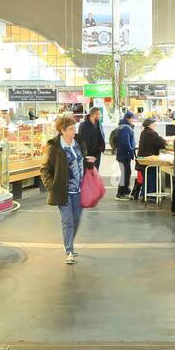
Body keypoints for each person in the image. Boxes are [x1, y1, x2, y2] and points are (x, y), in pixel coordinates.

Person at [41, 112, 95, 264]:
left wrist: (86, 160)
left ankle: (70, 244)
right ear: (62, 130)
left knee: (76, 219)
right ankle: (69, 250)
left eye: (74, 128)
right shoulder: (55, 147)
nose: (74, 131)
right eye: (70, 129)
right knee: (68, 220)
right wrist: (52, 186)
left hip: (79, 189)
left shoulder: (78, 142)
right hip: (63, 192)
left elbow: (79, 159)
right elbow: (45, 169)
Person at [134, 117, 168, 202]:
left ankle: (144, 195)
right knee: (152, 177)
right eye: (154, 124)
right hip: (149, 161)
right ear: (151, 125)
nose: (155, 125)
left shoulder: (144, 132)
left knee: (147, 178)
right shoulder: (151, 133)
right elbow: (162, 143)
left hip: (143, 161)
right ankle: (152, 196)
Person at [113, 111, 138, 199]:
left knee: (127, 172)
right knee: (125, 173)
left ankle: (125, 189)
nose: (133, 120)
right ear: (129, 118)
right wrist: (130, 150)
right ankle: (120, 193)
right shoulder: (125, 128)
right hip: (124, 154)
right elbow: (125, 142)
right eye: (132, 118)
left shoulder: (123, 126)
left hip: (123, 154)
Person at [77, 107, 105, 171]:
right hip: (87, 153)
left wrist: (101, 147)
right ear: (95, 114)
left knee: (96, 171)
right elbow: (80, 139)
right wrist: (84, 153)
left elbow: (102, 135)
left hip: (97, 152)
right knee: (88, 172)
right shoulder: (83, 125)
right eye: (99, 114)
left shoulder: (99, 124)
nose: (100, 116)